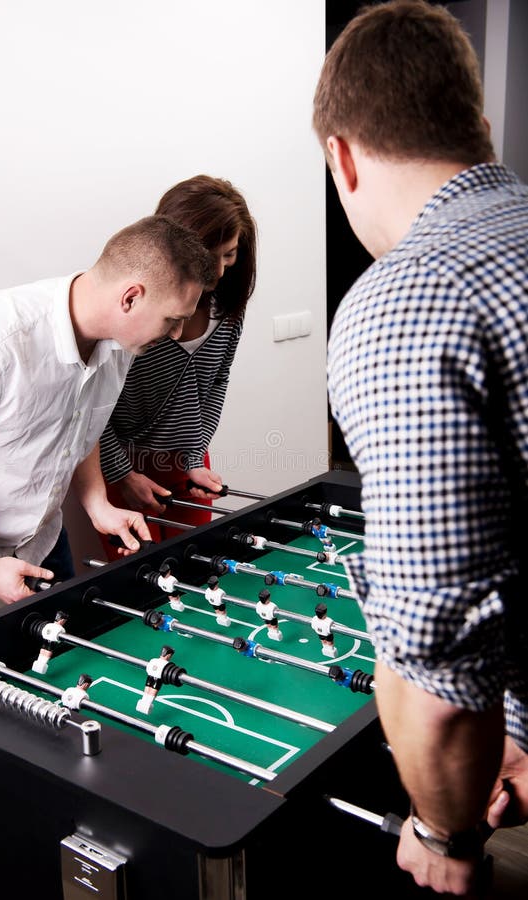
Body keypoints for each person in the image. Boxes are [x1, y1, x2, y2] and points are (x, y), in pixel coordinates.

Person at [313, 1, 528, 894]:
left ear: (342, 156)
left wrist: (442, 835)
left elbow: (438, 685)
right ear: (477, 126)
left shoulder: (409, 297)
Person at [0, 216, 214, 635]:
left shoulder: (123, 342)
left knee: (63, 657)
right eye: (172, 319)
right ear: (130, 298)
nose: (176, 333)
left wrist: (97, 504)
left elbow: (82, 422)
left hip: (43, 535)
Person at [99, 175, 257, 549]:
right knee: (138, 575)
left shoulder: (228, 311)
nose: (219, 270)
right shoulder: (132, 310)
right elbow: (91, 405)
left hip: (189, 463)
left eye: (229, 254)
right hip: (122, 464)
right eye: (209, 254)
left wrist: (194, 458)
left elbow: (218, 381)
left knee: (199, 566)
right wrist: (122, 474)